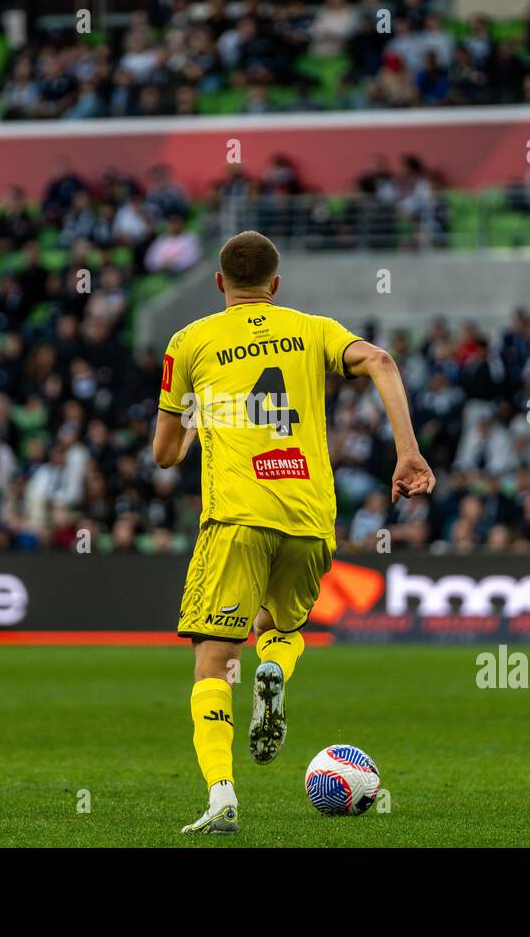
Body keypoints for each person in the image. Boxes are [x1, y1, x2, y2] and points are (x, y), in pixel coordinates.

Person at [153, 230, 435, 834]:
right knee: (281, 628)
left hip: (236, 515)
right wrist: (407, 454)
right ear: (276, 286)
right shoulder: (313, 328)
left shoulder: (190, 340)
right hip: (309, 516)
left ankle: (223, 794)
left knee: (213, 661)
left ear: (220, 283)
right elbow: (381, 362)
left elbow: (164, 454)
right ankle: (276, 670)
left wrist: (203, 415)